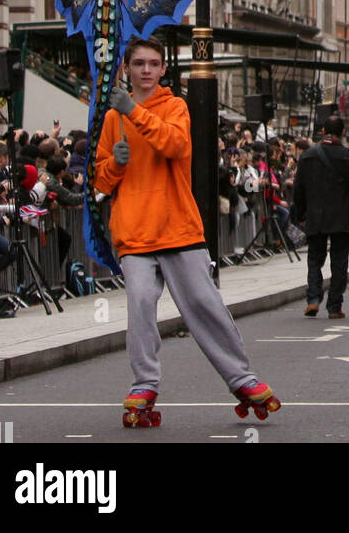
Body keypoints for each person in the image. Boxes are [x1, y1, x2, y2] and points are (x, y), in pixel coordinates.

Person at [95, 35, 280, 427]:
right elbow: (101, 179)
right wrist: (116, 163)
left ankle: (241, 378)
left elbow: (175, 145)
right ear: (127, 68)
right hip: (134, 228)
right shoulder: (112, 118)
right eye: (139, 64)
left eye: (152, 64)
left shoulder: (175, 106)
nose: (146, 70)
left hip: (177, 225)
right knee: (141, 303)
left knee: (203, 303)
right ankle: (144, 383)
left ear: (163, 70)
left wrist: (135, 112)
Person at [292, 115, 349, 318]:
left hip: (316, 216)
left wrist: (301, 213)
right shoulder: (348, 156)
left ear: (323, 132)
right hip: (342, 216)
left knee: (315, 259)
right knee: (339, 262)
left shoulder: (307, 156)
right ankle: (334, 306)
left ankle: (313, 298)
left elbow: (299, 188)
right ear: (342, 132)